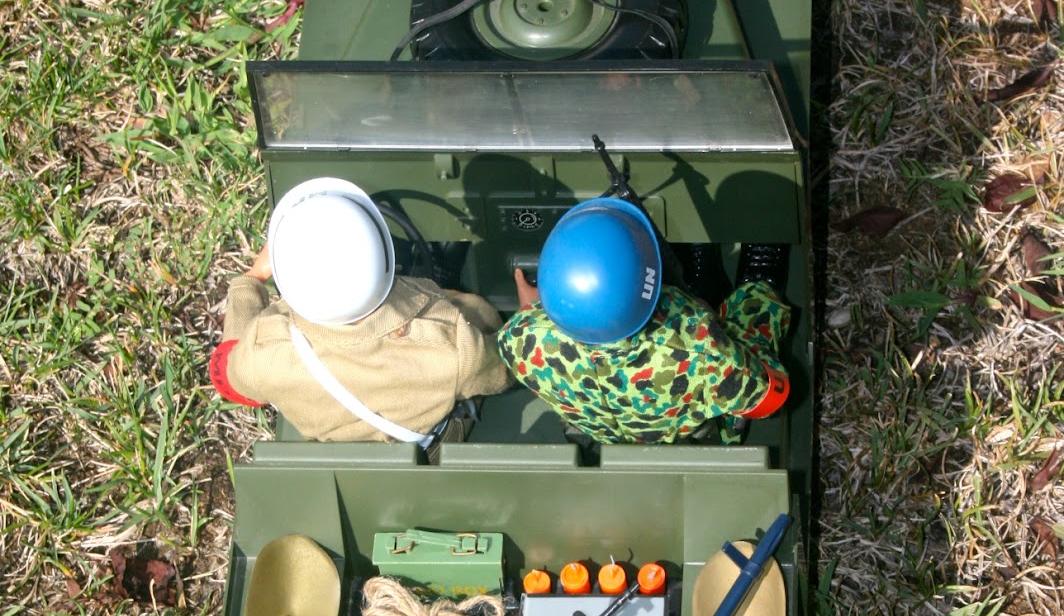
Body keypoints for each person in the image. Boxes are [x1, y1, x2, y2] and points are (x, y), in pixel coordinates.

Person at [209, 177, 510, 446]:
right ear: (385, 257)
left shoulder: (264, 354)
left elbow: (228, 379)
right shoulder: (450, 344)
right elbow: (504, 370)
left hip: (343, 449)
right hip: (430, 441)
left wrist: (251, 280)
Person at [496, 196, 790, 444]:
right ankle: (760, 279)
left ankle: (702, 268)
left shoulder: (518, 340)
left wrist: (532, 310)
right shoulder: (701, 351)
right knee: (757, 302)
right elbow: (769, 398)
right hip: (685, 428)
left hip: (601, 430)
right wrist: (709, 318)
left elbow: (530, 327)